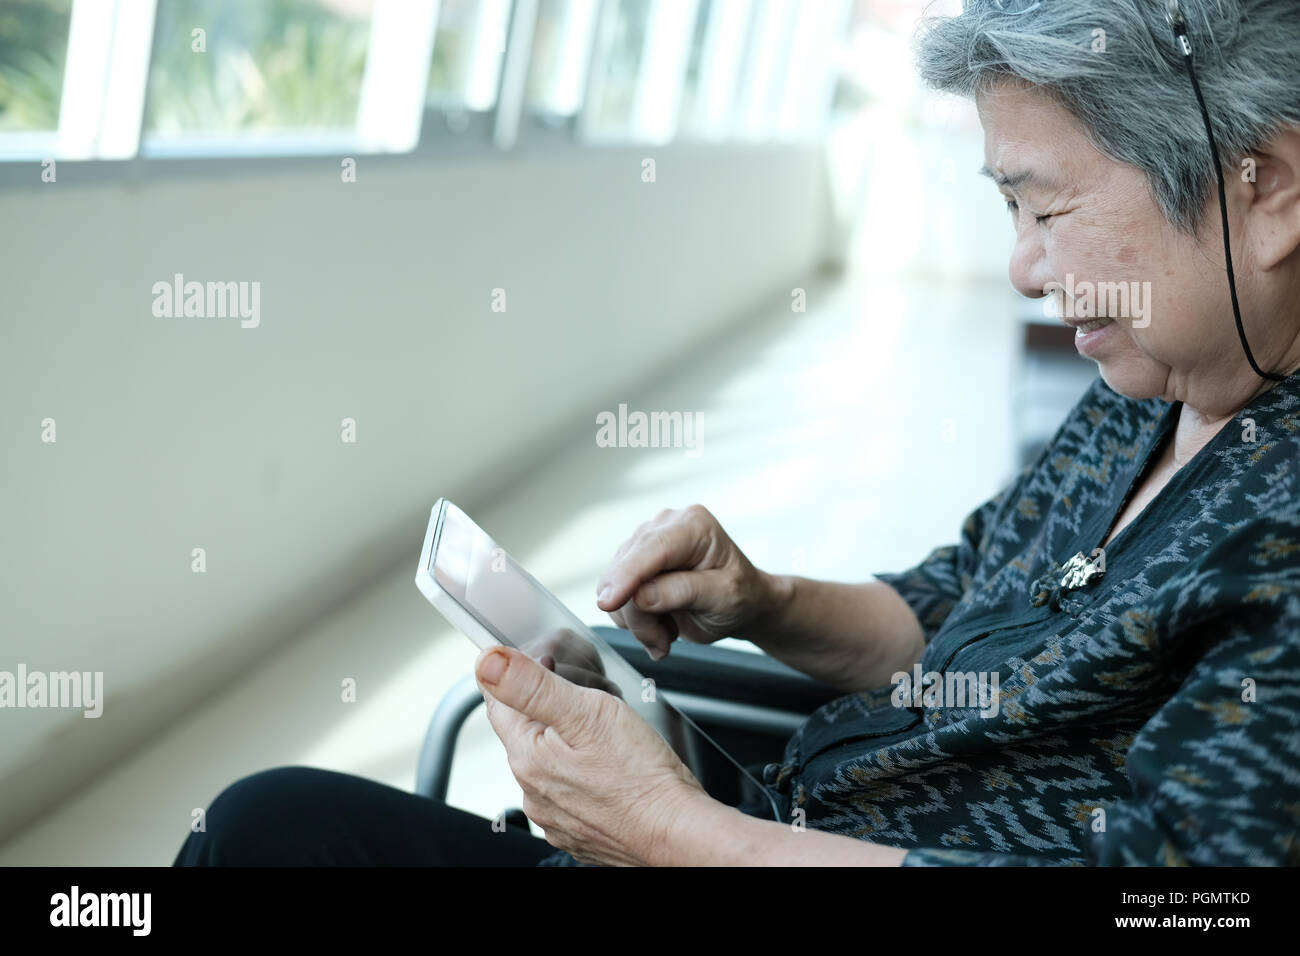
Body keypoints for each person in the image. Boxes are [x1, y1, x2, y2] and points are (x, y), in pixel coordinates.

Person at [176, 0, 1300, 866]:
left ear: (1268, 187)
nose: (1022, 267)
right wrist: (762, 599)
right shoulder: (1142, 395)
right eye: (1008, 213)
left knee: (263, 833)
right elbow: (953, 611)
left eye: (1047, 210)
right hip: (769, 821)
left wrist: (674, 834)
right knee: (270, 826)